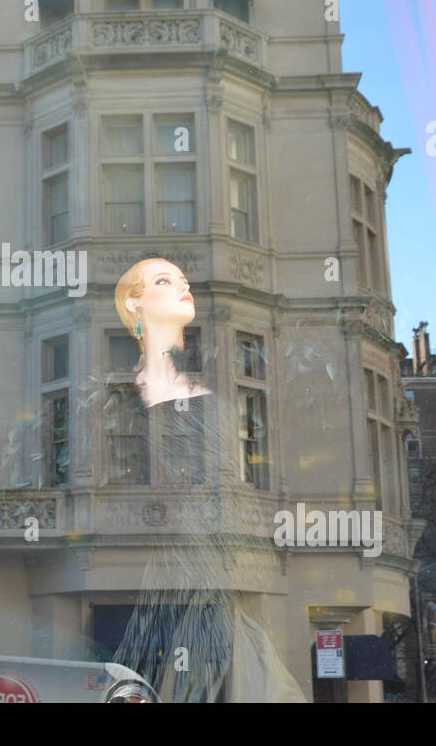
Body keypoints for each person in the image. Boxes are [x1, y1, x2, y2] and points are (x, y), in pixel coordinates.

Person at [106, 258, 304, 702]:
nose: (183, 286)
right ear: (135, 304)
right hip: (179, 559)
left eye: (183, 279)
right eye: (164, 281)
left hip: (206, 556)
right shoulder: (129, 392)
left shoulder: (201, 394)